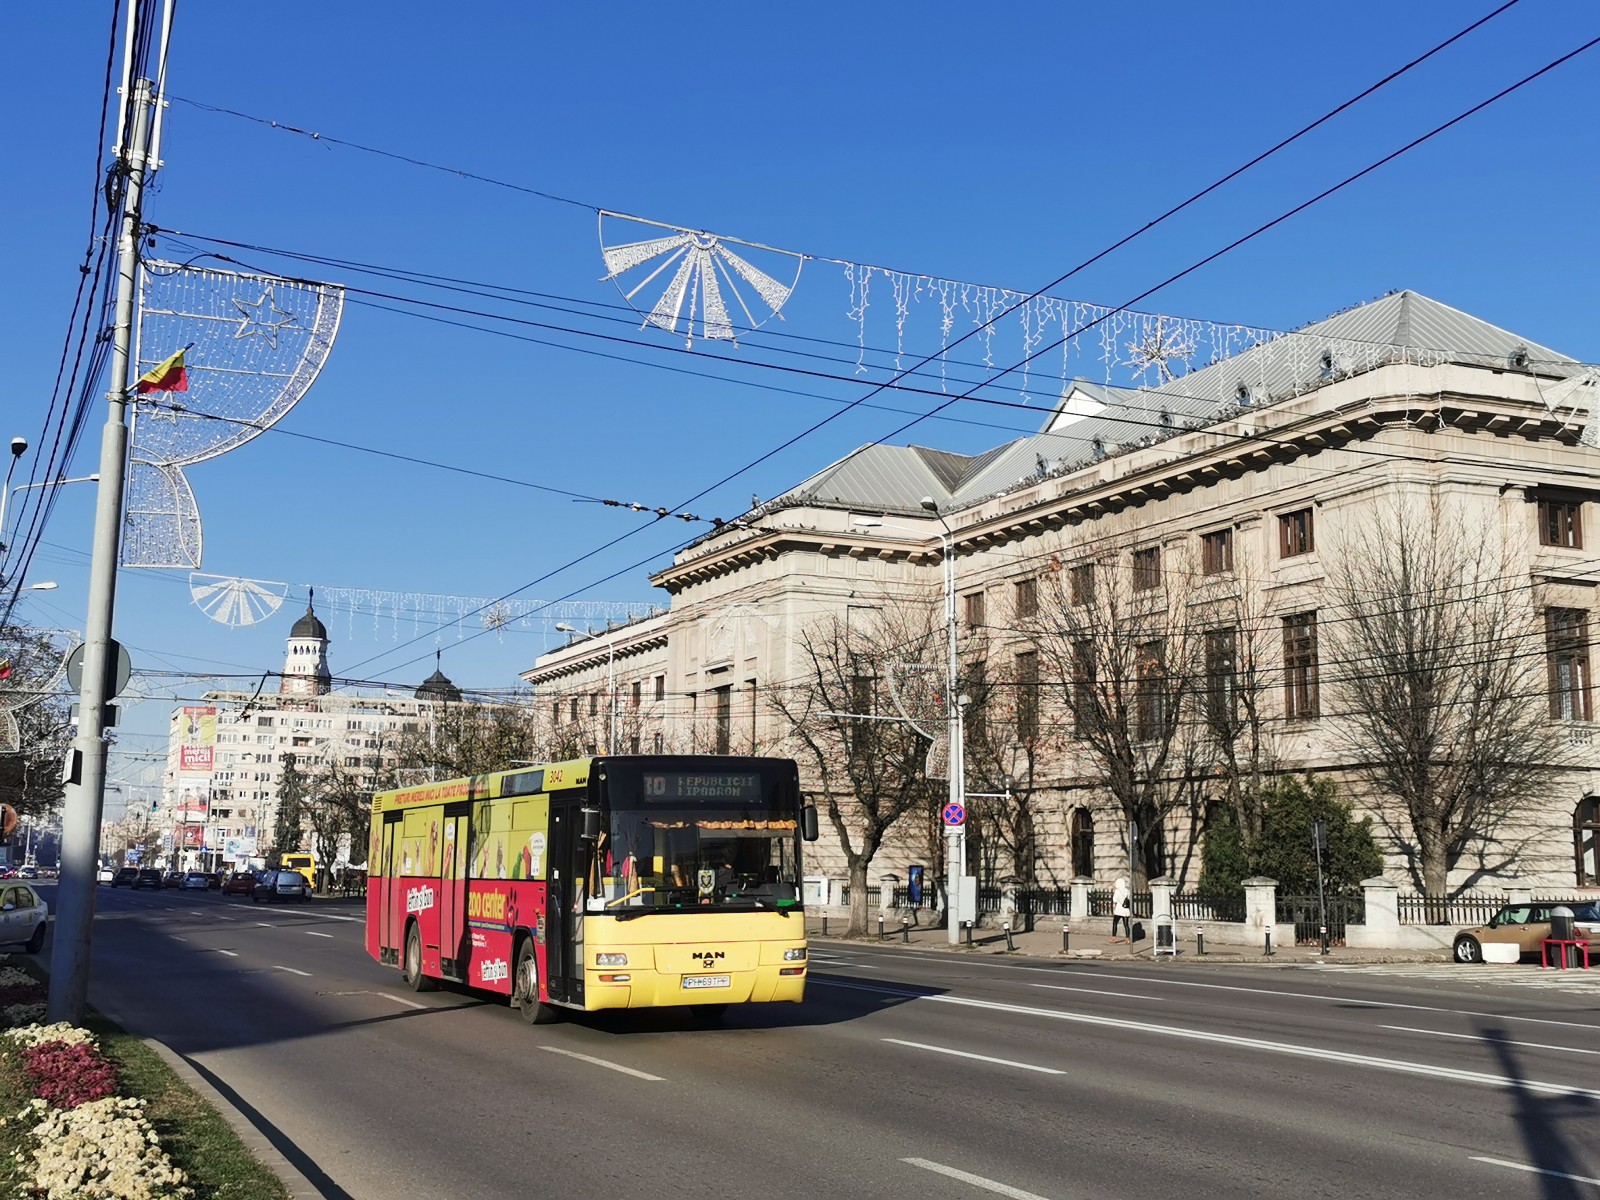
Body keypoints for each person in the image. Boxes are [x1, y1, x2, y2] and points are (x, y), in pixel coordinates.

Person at [1110, 876, 1132, 943]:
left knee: (1115, 923)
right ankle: (1127, 939)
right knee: (1126, 925)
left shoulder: (1117, 891)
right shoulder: (1127, 891)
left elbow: (1114, 900)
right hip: (1126, 910)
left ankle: (1113, 938)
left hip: (1119, 910)